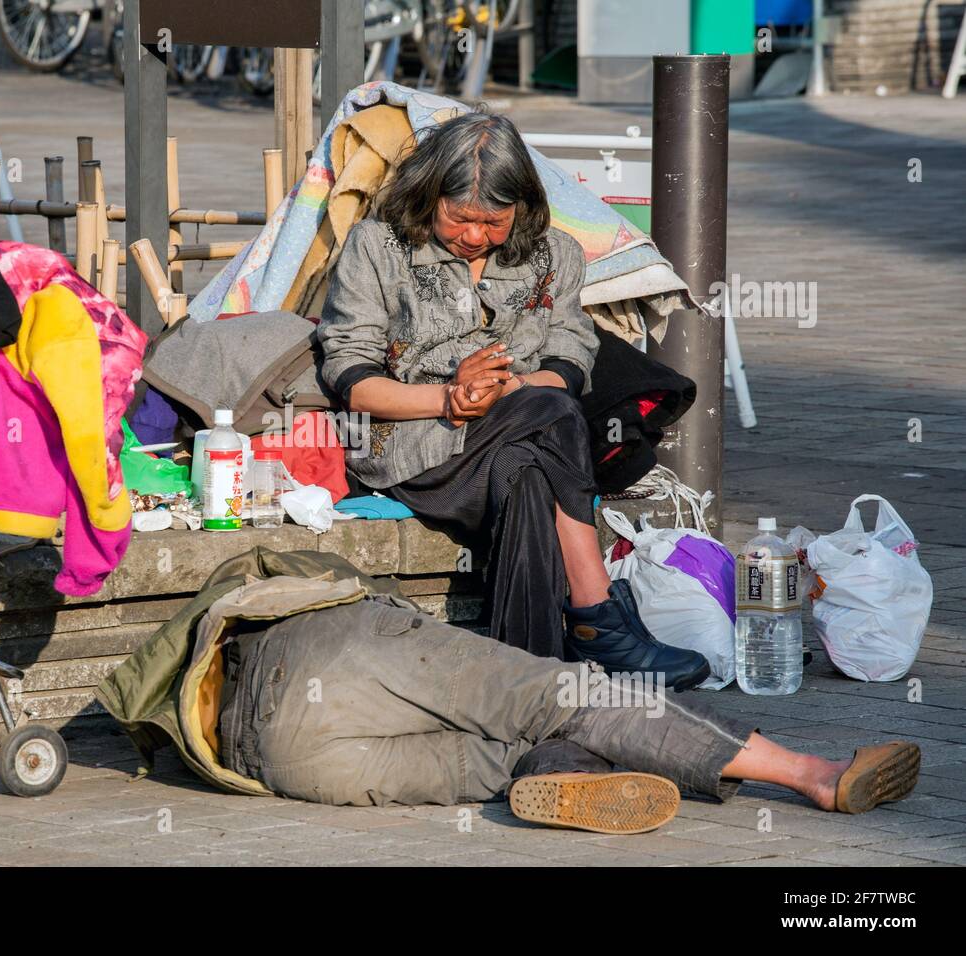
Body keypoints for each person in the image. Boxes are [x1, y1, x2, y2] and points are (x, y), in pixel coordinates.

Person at [317, 110, 708, 688]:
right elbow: (350, 378)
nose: (475, 236)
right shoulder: (378, 247)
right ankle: (597, 612)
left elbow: (569, 361)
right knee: (548, 417)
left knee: (525, 467)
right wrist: (449, 399)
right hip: (410, 445)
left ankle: (525, 681)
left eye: (493, 222)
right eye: (459, 218)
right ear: (430, 196)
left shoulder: (557, 256)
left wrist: (508, 390)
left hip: (529, 434)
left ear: (521, 208)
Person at [214, 583, 920, 833]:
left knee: (511, 759)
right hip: (317, 650)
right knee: (572, 697)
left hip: (276, 758)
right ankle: (813, 774)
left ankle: (573, 782)